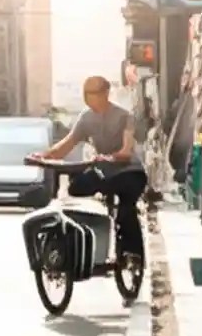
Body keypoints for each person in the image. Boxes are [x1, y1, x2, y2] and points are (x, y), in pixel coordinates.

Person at [34, 76, 147, 265]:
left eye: (94, 94)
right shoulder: (86, 118)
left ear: (105, 94)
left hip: (129, 172)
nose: (90, 98)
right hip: (104, 171)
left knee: (127, 210)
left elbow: (127, 150)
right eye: (87, 94)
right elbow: (67, 144)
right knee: (75, 188)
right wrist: (44, 156)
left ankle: (133, 255)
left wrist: (112, 157)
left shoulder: (124, 116)